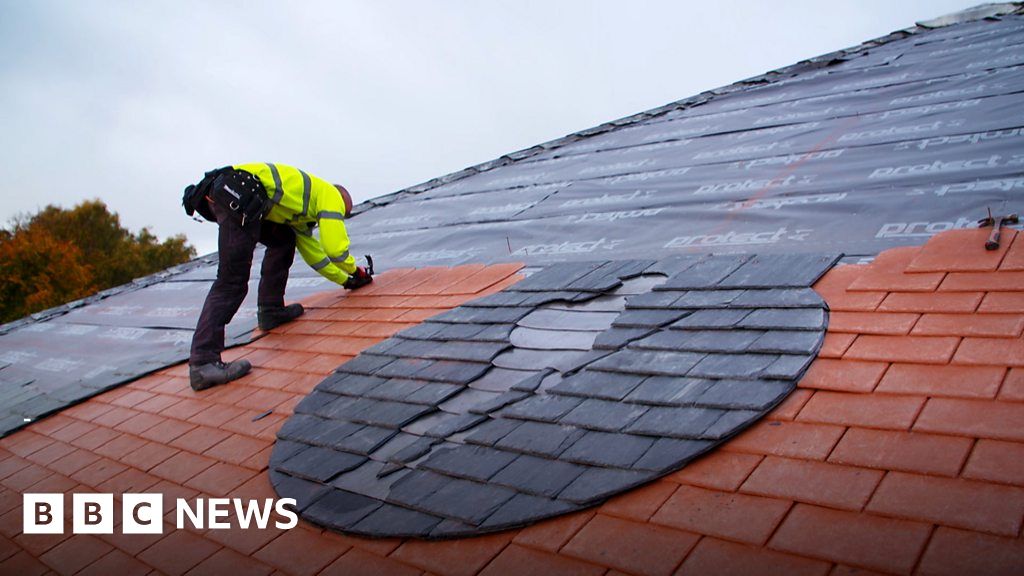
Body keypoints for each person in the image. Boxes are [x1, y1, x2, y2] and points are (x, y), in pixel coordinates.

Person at [183, 163, 372, 391]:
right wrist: (355, 271)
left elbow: (316, 257)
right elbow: (334, 249)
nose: (340, 217)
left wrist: (346, 281)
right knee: (231, 282)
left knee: (283, 241)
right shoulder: (331, 196)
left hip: (239, 195)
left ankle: (270, 311)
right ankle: (203, 362)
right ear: (341, 202)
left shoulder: (301, 212)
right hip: (237, 193)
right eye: (342, 214)